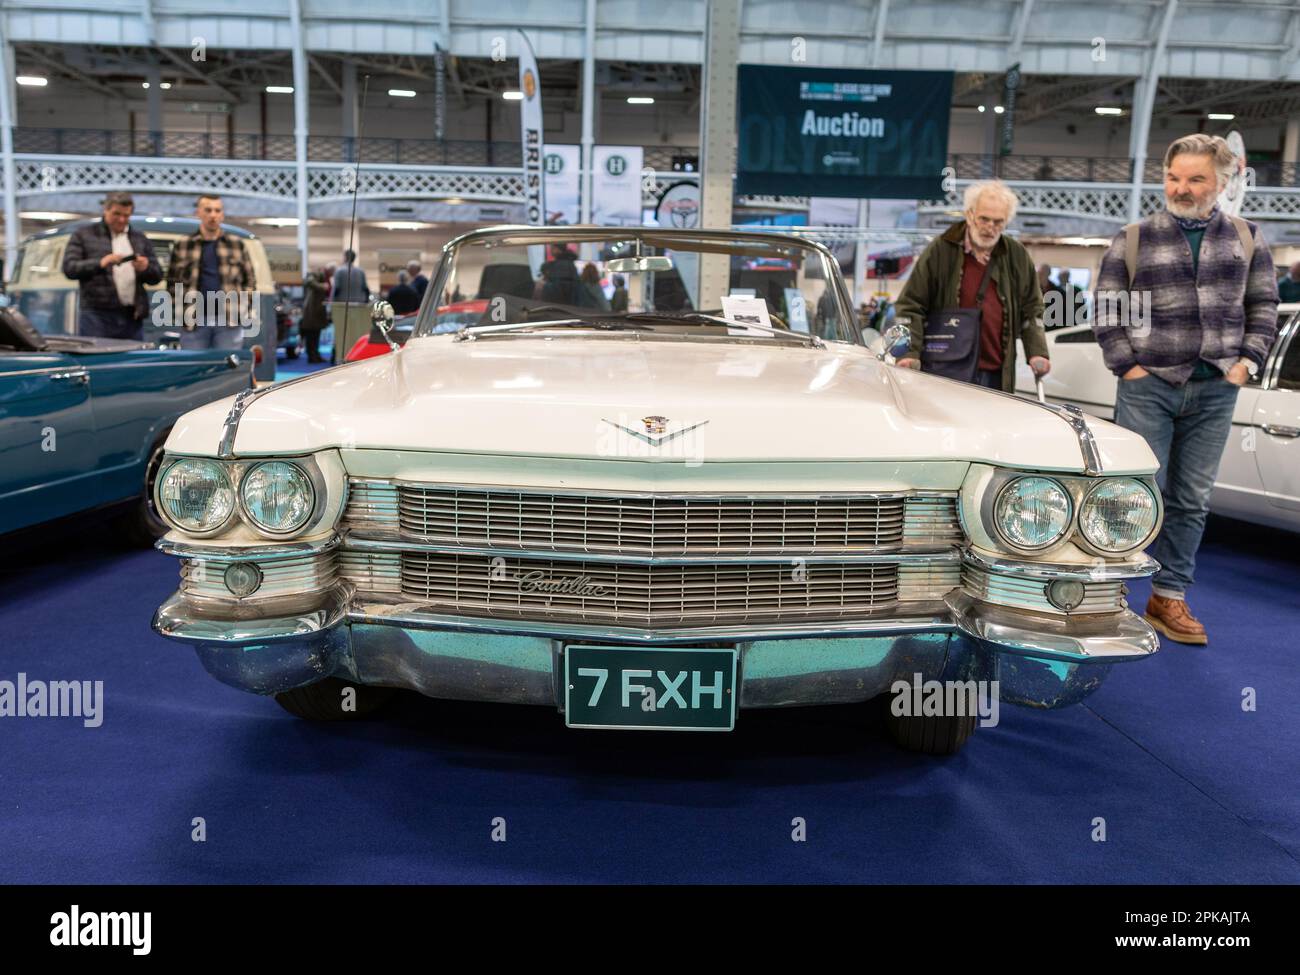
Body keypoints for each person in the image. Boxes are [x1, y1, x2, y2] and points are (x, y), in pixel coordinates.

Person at [1093, 133, 1279, 645]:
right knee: (1134, 494)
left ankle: (1168, 595)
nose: (1181, 188)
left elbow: (1263, 307)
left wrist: (1245, 364)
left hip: (1216, 388)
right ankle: (1111, 594)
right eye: (1174, 177)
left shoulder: (1248, 237)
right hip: (1147, 385)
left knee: (1192, 499)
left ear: (1221, 183)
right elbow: (1107, 312)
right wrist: (1127, 366)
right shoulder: (1132, 238)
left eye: (1195, 179)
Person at [893, 179, 1050, 391]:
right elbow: (911, 304)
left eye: (998, 222)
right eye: (984, 219)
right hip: (945, 370)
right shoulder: (941, 250)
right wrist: (909, 353)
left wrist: (1037, 351)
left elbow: (1032, 309)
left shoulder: (1016, 255)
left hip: (996, 373)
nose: (990, 228)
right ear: (969, 214)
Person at [60, 192, 163, 341]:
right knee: (98, 361)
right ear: (105, 210)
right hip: (96, 316)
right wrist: (101, 263)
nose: (121, 220)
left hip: (132, 316)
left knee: (131, 362)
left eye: (126, 216)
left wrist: (145, 268)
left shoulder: (139, 238)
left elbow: (157, 275)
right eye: (116, 214)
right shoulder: (83, 235)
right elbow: (69, 268)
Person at [166, 193, 256, 350]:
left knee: (227, 370)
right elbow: (172, 283)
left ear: (222, 214)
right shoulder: (183, 244)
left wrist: (243, 306)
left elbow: (250, 281)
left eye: (217, 210)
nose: (213, 215)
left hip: (229, 320)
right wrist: (179, 310)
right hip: (194, 320)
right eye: (208, 210)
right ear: (198, 213)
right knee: (194, 370)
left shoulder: (236, 245)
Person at [330, 249, 370, 364]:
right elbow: (366, 289)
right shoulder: (361, 272)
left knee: (341, 333)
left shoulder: (339, 271)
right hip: (359, 309)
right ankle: (355, 354)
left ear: (345, 257)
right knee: (356, 333)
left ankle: (340, 356)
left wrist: (331, 306)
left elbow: (336, 289)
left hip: (342, 308)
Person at [300, 264, 330, 363]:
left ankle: (315, 355)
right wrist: (323, 286)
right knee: (311, 336)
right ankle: (312, 356)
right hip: (311, 313)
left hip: (316, 313)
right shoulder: (315, 275)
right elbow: (309, 281)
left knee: (315, 335)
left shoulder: (321, 277)